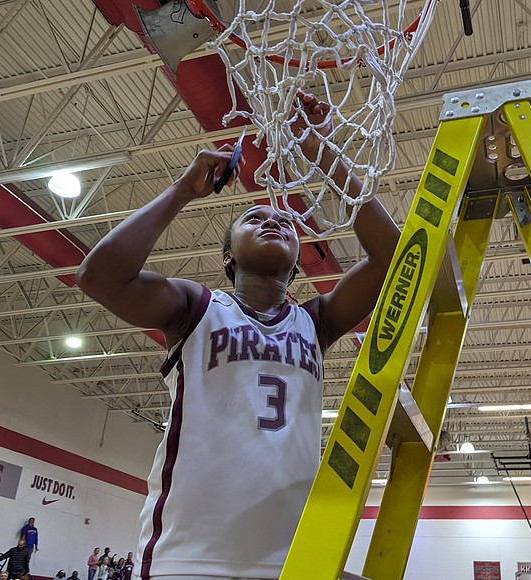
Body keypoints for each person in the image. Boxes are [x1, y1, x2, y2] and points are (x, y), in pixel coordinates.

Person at [76, 91, 398, 579]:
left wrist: (322, 150)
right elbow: (97, 277)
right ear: (228, 256)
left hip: (291, 556)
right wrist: (183, 190)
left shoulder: (317, 321)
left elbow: (393, 256)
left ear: (297, 255)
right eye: (255, 219)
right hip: (191, 554)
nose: (273, 220)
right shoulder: (196, 307)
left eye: (285, 222)